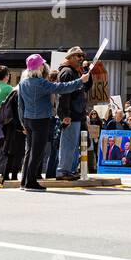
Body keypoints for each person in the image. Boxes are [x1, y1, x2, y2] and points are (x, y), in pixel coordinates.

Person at [17, 54, 87, 191]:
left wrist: (23, 123)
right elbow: (61, 87)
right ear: (39, 67)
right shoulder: (41, 83)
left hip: (28, 119)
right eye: (42, 64)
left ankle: (24, 182)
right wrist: (80, 81)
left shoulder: (23, 83)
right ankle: (30, 182)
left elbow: (20, 106)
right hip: (41, 120)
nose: (44, 66)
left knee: (29, 151)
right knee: (37, 152)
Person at [54, 47, 91, 181]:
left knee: (73, 145)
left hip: (76, 114)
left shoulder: (75, 72)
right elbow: (63, 95)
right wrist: (65, 115)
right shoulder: (67, 72)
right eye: (78, 56)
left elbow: (86, 87)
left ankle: (69, 170)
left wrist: (87, 71)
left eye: (82, 56)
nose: (81, 58)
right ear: (69, 58)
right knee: (68, 144)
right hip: (71, 115)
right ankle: (63, 171)